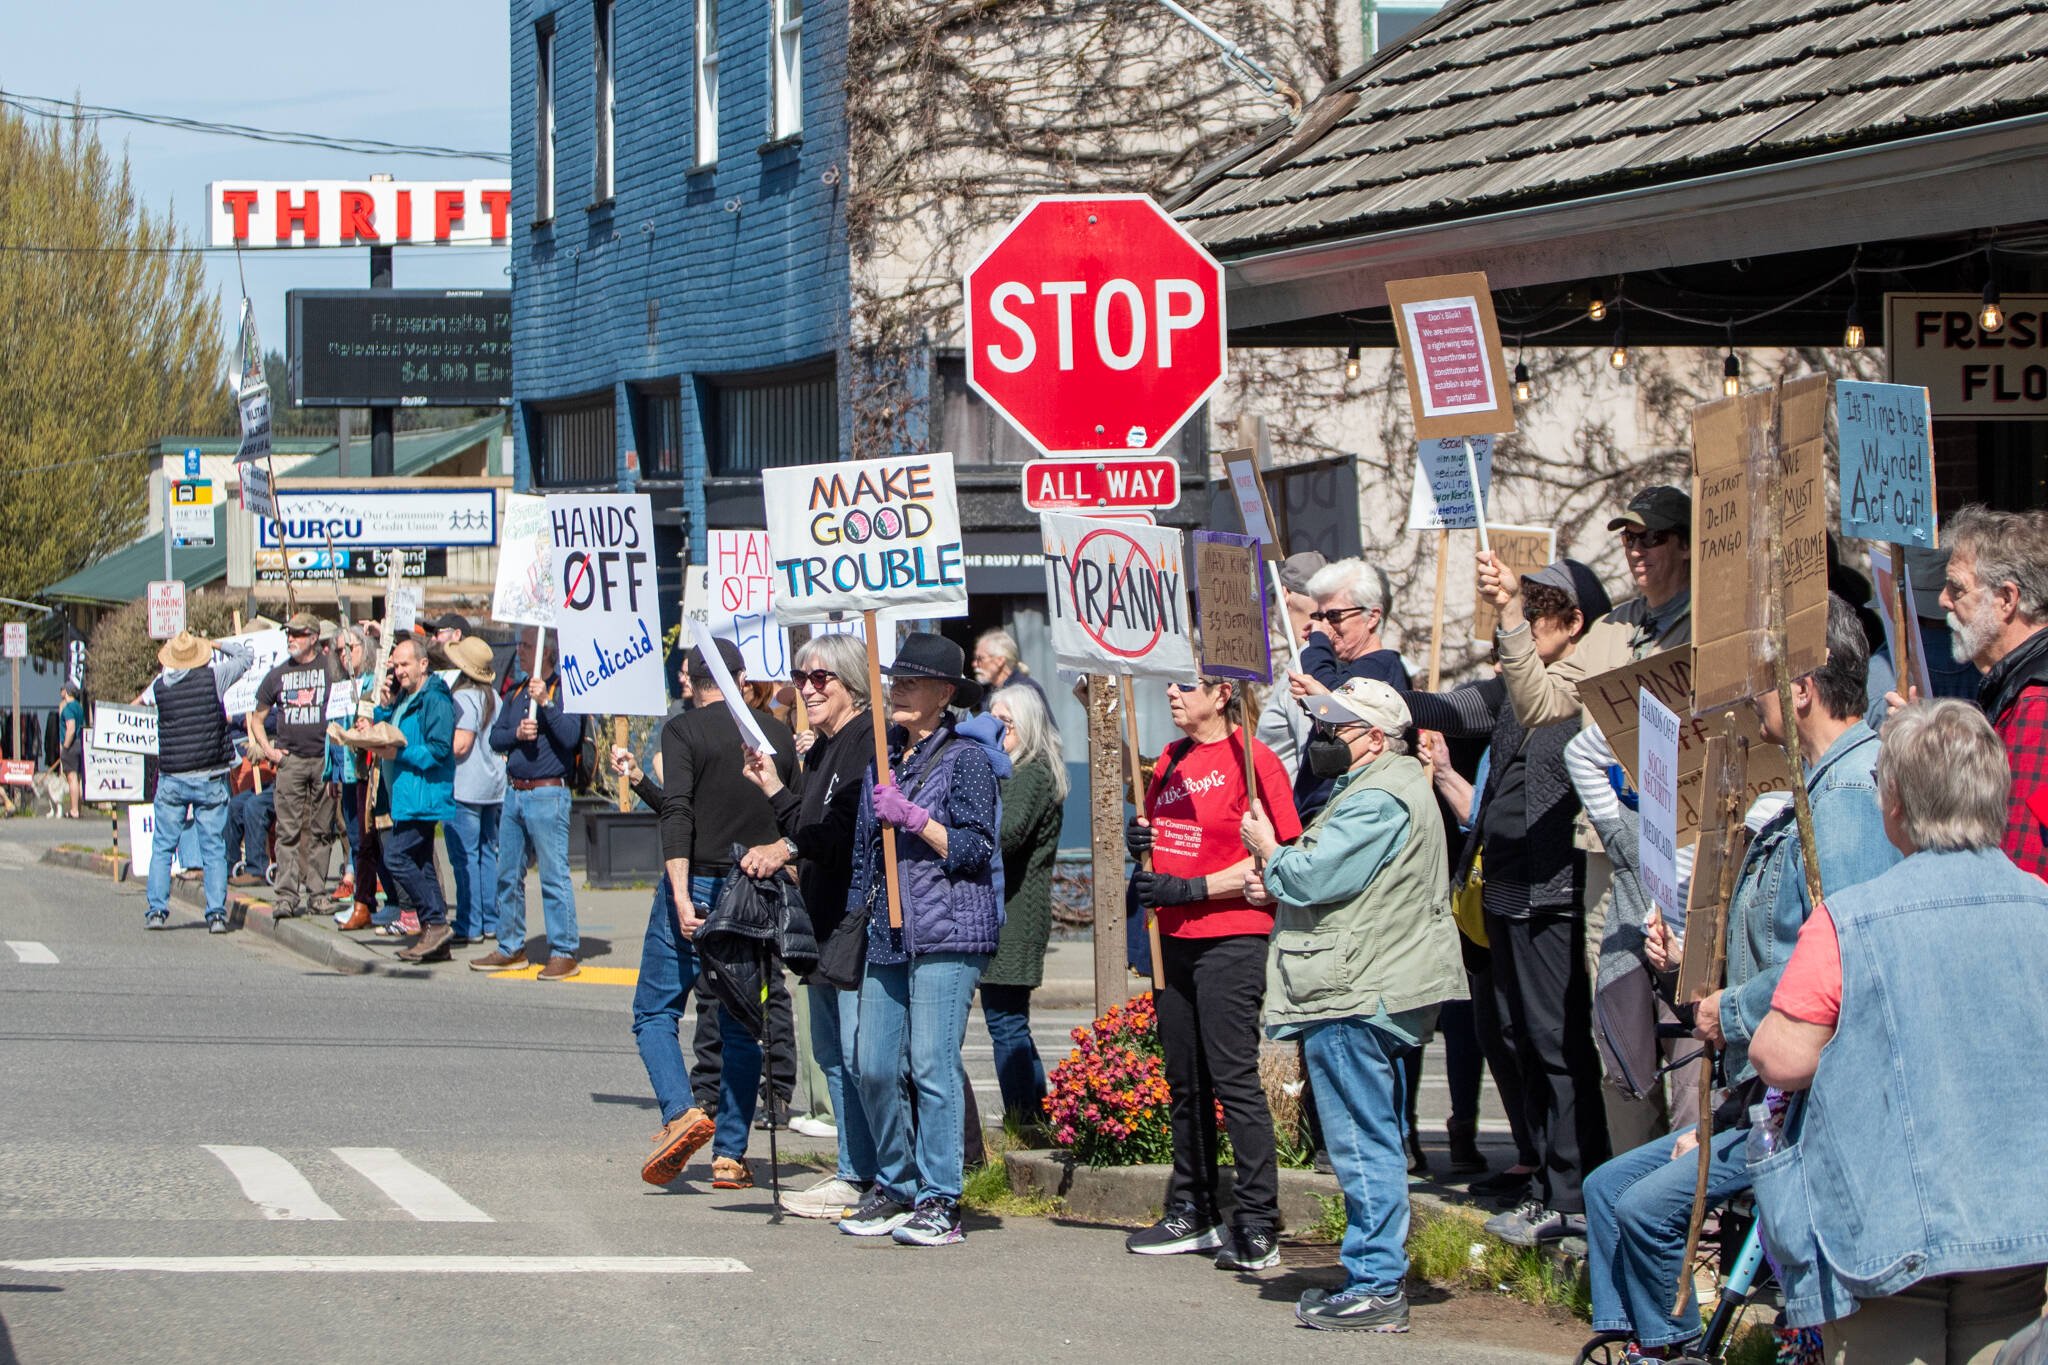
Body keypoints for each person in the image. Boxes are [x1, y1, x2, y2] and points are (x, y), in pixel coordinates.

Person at [1583, 596, 1897, 1358]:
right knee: (1605, 1191)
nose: (1749, 693)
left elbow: (1840, 958)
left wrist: (1737, 1005)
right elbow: (1778, 933)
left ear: (1800, 688)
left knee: (1650, 1209)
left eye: (1762, 677)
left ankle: (1672, 1348)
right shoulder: (1807, 792)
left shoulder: (1850, 800)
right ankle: (1642, 1345)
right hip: (1765, 1091)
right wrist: (1694, 958)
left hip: (1811, 1099)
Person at [1750, 700, 2048, 1362]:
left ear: (1895, 807)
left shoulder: (1849, 921)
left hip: (1890, 1228)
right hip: (2019, 1223)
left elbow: (1782, 1055)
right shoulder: (2042, 907)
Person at [1240, 677, 1465, 1332]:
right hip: (1360, 983)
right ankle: (1373, 1274)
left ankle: (1375, 1282)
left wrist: (1269, 851)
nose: (1323, 737)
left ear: (1372, 737)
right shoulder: (1376, 786)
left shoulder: (1381, 795)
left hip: (1357, 988)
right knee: (1369, 1134)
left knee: (1360, 1139)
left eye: (1336, 726)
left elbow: (1314, 873)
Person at [1401, 559, 1615, 1244]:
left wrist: (1511, 619)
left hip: (1553, 888)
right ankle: (1544, 1178)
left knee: (1556, 1041)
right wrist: (1370, 696)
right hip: (1504, 886)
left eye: (1537, 608)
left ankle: (1572, 1188)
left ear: (1574, 622)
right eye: (1519, 609)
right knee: (1518, 1037)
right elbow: (1451, 706)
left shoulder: (1584, 690)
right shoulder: (1510, 694)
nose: (1519, 625)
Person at [1480, 485, 1699, 1149]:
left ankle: (1695, 1202)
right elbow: (1542, 701)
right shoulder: (1613, 630)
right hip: (1612, 853)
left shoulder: (1710, 625)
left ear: (1686, 545)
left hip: (1689, 848)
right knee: (1619, 1031)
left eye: (1653, 537)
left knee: (1691, 1029)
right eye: (1629, 538)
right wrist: (1513, 616)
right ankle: (1638, 1187)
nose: (1637, 550)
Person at [1122, 674, 1302, 1270]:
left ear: (1222, 693)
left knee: (1233, 1079)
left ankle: (1256, 1221)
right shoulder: (1169, 758)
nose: (1172, 695)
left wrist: (1194, 885)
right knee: (1185, 1080)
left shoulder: (1255, 761)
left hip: (1232, 937)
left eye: (1186, 686)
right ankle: (1192, 1209)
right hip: (1171, 936)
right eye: (1169, 686)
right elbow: (1166, 839)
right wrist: (1141, 841)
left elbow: (1280, 859)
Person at [836, 633, 1005, 1247]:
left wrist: (914, 819)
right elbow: (863, 858)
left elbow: (974, 848)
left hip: (949, 930)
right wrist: (856, 916)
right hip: (889, 930)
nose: (897, 690)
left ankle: (941, 1198)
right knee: (873, 1064)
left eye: (910, 682)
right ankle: (895, 1183)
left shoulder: (966, 759)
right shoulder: (885, 759)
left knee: (931, 1066)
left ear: (943, 694)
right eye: (894, 680)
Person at [646, 638, 798, 1191]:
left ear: (689, 679)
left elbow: (678, 811)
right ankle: (730, 1155)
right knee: (742, 1024)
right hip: (755, 884)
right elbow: (793, 816)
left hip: (703, 878)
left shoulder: (682, 730)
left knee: (656, 1010)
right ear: (739, 676)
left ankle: (680, 1111)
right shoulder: (777, 733)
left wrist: (681, 893)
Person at [741, 632, 879, 1219]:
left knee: (856, 1053)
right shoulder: (822, 747)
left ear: (851, 683)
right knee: (830, 1053)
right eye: (801, 678)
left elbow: (844, 827)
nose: (807, 688)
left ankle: (865, 1175)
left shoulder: (867, 742)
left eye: (820, 678)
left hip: (855, 919)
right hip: (821, 919)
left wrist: (787, 845)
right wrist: (773, 786)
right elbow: (810, 820)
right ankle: (854, 1171)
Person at [1930, 506, 2048, 880]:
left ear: (2007, 599)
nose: (1943, 601)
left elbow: (2018, 873)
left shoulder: (2036, 707)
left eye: (1957, 588)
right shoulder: (2023, 691)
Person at [980, 681, 1067, 1125]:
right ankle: (1035, 1114)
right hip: (1008, 912)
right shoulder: (1014, 768)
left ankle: (1025, 1119)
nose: (996, 730)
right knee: (1009, 1020)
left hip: (1015, 915)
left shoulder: (1031, 772)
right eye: (991, 720)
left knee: (1006, 1022)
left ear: (1027, 726)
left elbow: (1005, 836)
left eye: (1005, 723)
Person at [474, 629, 583, 979]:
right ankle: (510, 945)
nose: (519, 651)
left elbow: (570, 736)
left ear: (547, 653)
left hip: (548, 793)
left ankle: (563, 949)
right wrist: (517, 734)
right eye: (520, 645)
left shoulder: (563, 691)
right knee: (508, 874)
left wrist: (547, 705)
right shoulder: (517, 692)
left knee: (553, 876)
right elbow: (495, 738)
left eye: (527, 646)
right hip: (515, 793)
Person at [137, 631, 255, 932]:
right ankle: (216, 913)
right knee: (213, 847)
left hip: (173, 776)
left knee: (163, 846)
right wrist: (216, 643)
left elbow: (138, 707)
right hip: (210, 775)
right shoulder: (214, 677)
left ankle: (157, 911)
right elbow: (246, 657)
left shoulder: (159, 686)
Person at [359, 636, 457, 963]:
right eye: (396, 665)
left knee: (397, 858)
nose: (399, 671)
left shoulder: (435, 699)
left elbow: (440, 750)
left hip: (422, 795)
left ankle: (434, 922)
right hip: (405, 794)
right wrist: (385, 708)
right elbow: (395, 731)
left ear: (423, 664)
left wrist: (399, 752)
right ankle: (435, 936)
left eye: (405, 664)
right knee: (421, 864)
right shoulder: (406, 696)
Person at [1287, 558, 1409, 819]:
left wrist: (1317, 642)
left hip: (1348, 813)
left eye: (1334, 616)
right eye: (1319, 617)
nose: (1324, 627)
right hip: (1320, 812)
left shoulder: (1381, 666)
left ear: (1372, 617)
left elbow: (1336, 704)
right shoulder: (1347, 666)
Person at [249, 612, 345, 918]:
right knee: (287, 831)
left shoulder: (332, 670)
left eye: (298, 634)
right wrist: (269, 751)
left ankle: (317, 894)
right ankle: (286, 897)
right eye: (288, 634)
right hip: (290, 761)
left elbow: (346, 704)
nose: (291, 639)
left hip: (323, 759)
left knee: (321, 830)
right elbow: (257, 717)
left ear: (314, 638)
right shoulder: (278, 674)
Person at [442, 637, 504, 948]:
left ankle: (470, 921)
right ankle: (491, 920)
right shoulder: (494, 695)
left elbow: (461, 744)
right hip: (492, 787)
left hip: (465, 786)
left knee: (464, 857)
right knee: (486, 855)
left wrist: (436, 752)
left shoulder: (462, 698)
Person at [1255, 551, 1327, 780]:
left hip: (1298, 809)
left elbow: (1309, 751)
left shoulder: (1304, 665)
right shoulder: (1323, 655)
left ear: (1284, 594)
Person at [225, 743, 277, 886]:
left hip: (290, 779)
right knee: (235, 806)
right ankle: (229, 867)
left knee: (255, 805)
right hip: (275, 780)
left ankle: (257, 869)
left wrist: (268, 747)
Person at [971, 628, 1046, 710]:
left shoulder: (1025, 690)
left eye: (980, 659)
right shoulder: (989, 692)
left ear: (1000, 661)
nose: (974, 664)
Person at [58, 684, 84, 818]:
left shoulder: (68, 708)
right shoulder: (79, 706)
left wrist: (65, 746)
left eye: (62, 689)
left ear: (67, 692)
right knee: (78, 779)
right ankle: (78, 808)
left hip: (71, 744)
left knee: (72, 778)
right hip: (80, 744)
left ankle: (74, 810)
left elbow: (71, 728)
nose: (61, 691)